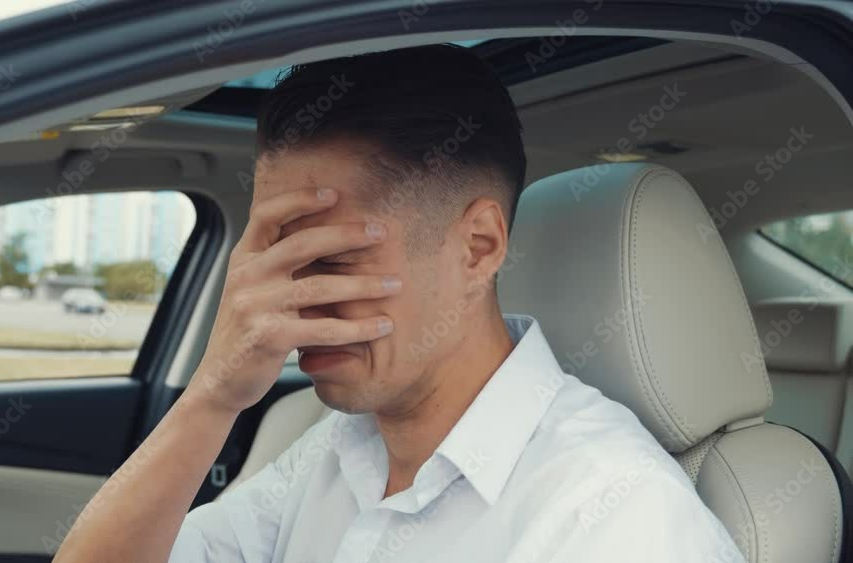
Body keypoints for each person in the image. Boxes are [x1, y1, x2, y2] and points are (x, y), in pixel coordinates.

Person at [54, 44, 744, 563]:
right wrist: (213, 393)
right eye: (276, 268)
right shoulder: (326, 451)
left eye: (331, 266)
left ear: (477, 247)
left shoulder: (614, 516)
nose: (289, 312)